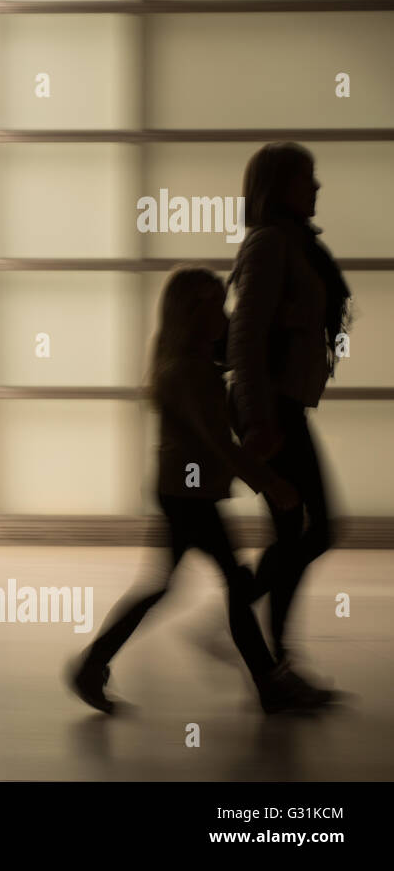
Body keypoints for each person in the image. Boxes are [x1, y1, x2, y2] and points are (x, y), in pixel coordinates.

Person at [68, 266, 332, 715]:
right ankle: (268, 683)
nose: (222, 311)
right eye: (209, 303)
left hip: (185, 492)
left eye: (220, 301)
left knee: (168, 586)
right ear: (188, 314)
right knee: (230, 583)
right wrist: (269, 481)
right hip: (189, 497)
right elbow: (216, 443)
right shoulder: (188, 372)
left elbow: (216, 433)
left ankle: (93, 664)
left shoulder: (190, 365)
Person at [228, 142, 352, 668]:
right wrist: (260, 419)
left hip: (284, 402)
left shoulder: (296, 243)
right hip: (269, 405)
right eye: (308, 178)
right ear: (279, 187)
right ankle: (244, 623)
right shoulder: (270, 245)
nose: (317, 187)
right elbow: (246, 337)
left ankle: (275, 655)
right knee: (314, 527)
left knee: (297, 530)